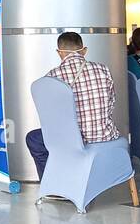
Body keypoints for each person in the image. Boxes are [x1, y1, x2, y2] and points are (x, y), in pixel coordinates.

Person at [25, 31, 119, 180]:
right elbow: (111, 103)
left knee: (33, 139)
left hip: (72, 140)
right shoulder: (103, 69)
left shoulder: (53, 75)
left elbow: (51, 114)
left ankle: (54, 184)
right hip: (104, 136)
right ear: (84, 50)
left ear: (59, 52)